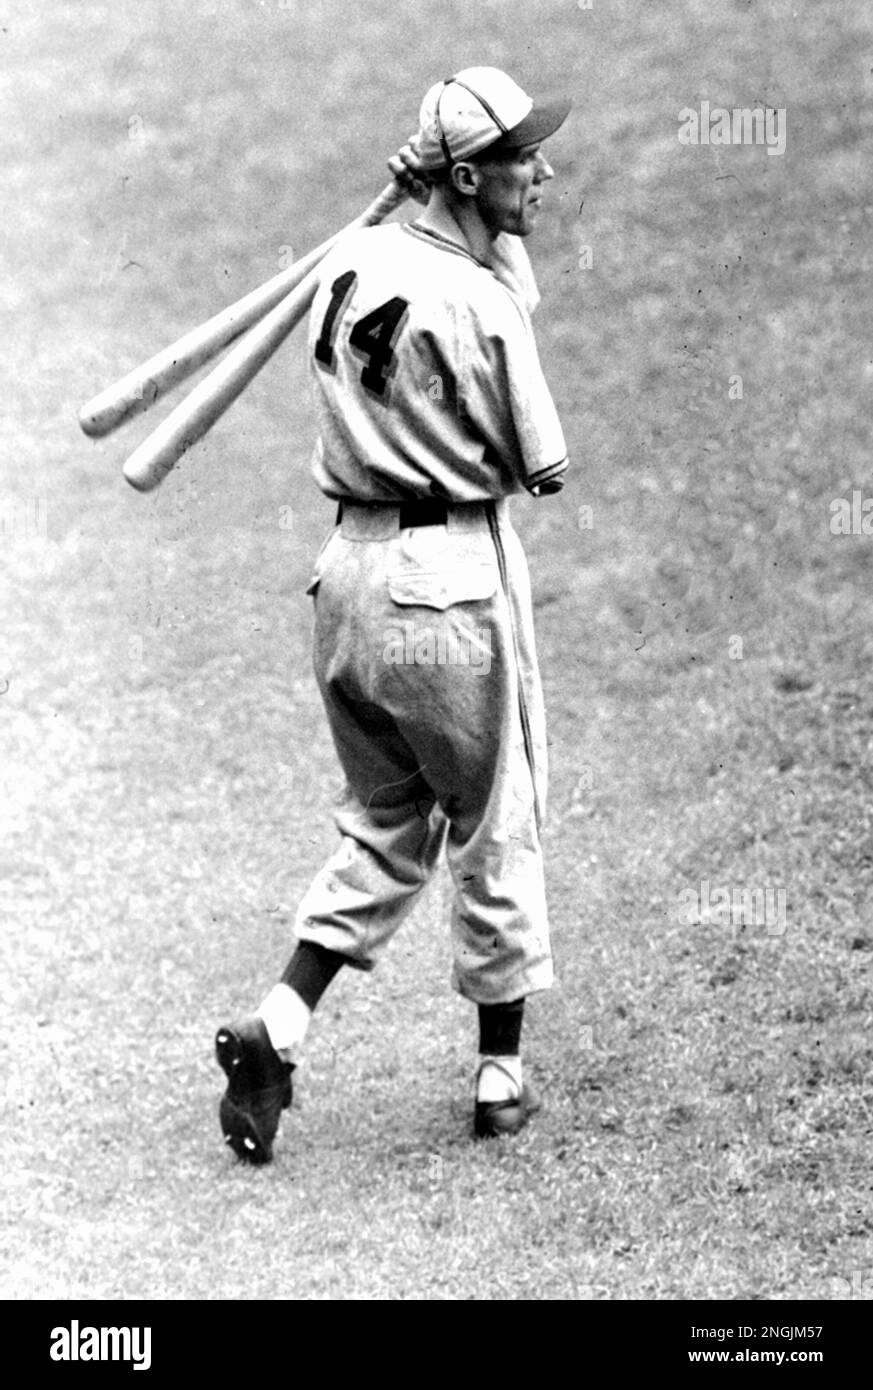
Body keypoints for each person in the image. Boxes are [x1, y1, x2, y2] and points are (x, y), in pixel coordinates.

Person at [216, 66, 571, 1163]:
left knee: (387, 818)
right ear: (465, 175)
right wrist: (500, 280)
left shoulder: (349, 259)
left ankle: (277, 1028)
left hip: (349, 579)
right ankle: (501, 1076)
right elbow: (540, 464)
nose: (542, 172)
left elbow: (478, 275)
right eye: (520, 160)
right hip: (451, 579)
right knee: (495, 812)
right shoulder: (482, 303)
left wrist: (472, 226)